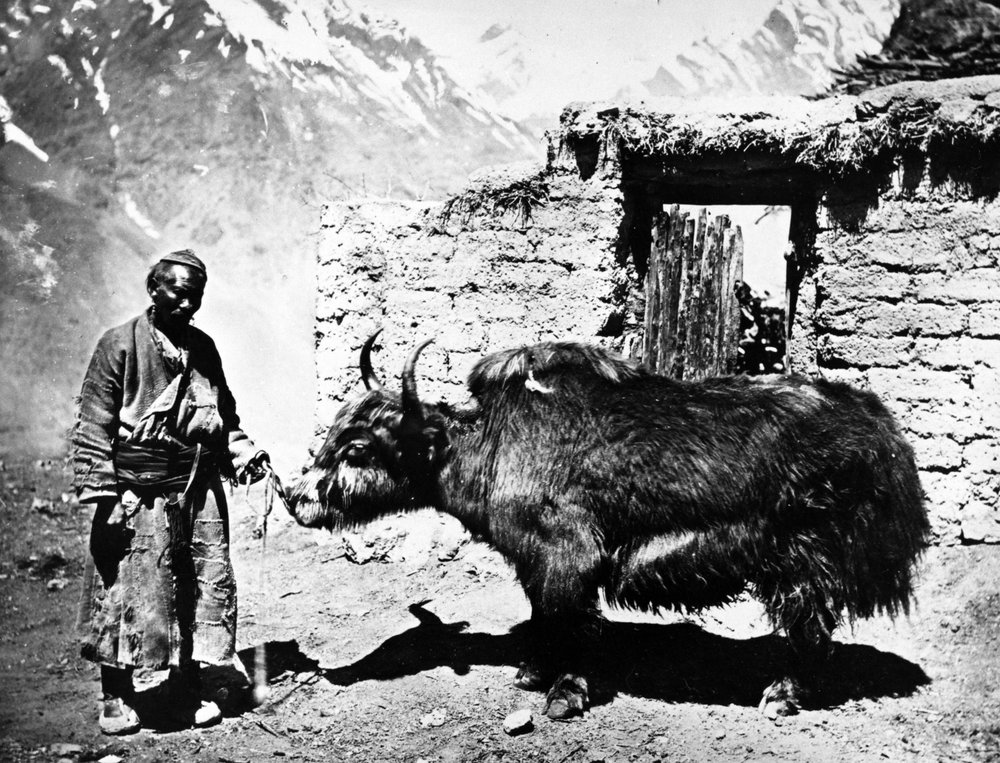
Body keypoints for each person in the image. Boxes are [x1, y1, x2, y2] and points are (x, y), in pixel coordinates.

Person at [73, 249, 270, 735]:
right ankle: (115, 696)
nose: (187, 304)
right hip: (134, 494)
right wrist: (105, 497)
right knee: (123, 589)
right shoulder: (118, 345)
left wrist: (243, 453)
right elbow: (92, 427)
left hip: (195, 490)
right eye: (178, 294)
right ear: (153, 289)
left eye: (195, 296)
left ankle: (184, 686)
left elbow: (224, 418)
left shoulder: (203, 349)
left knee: (195, 584)